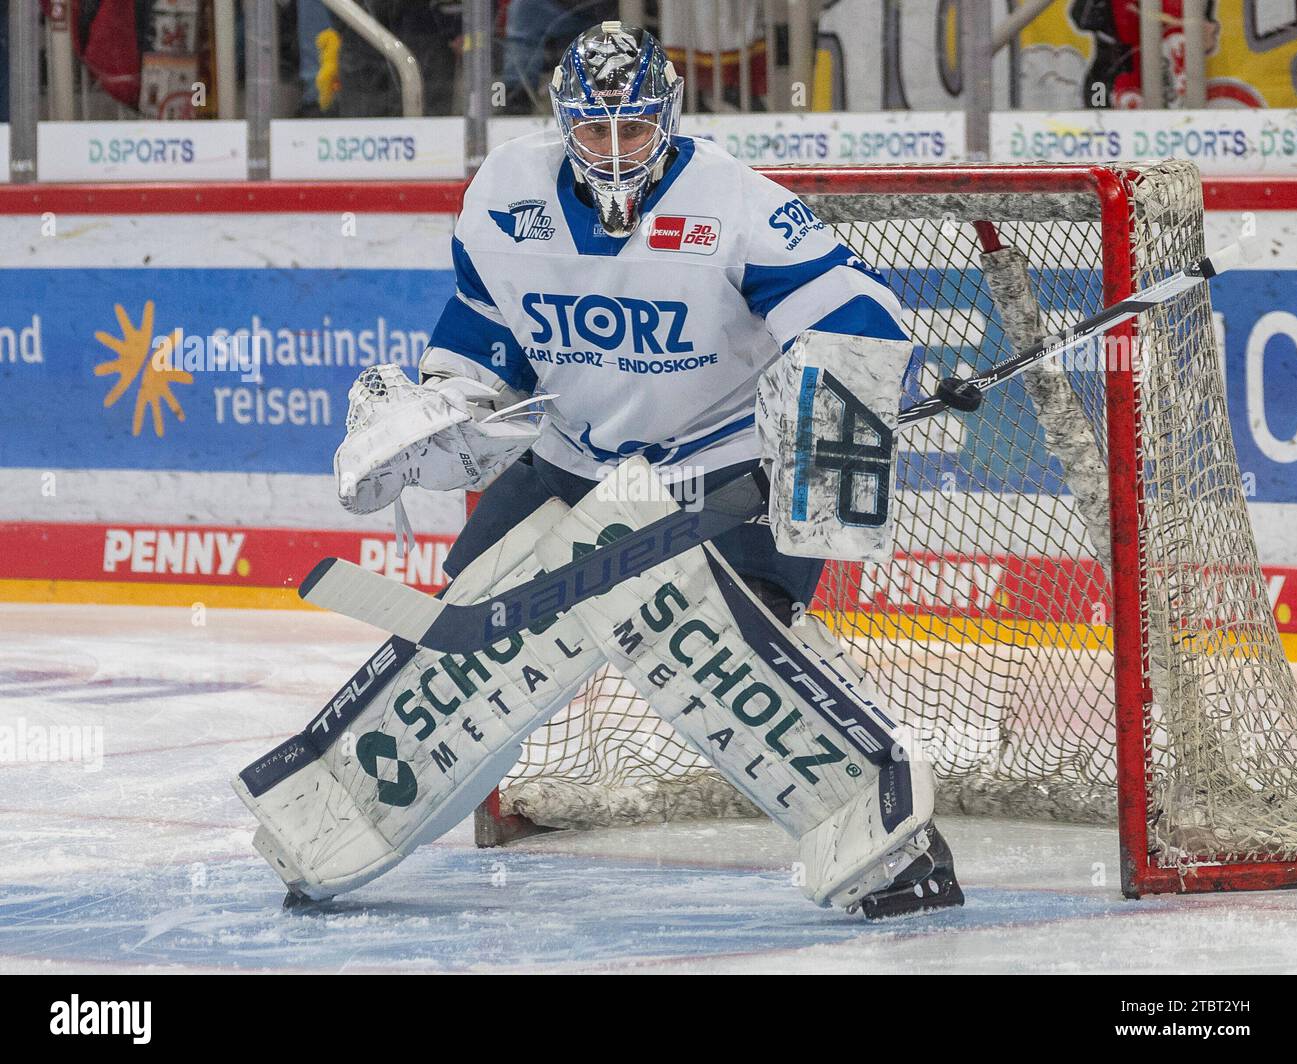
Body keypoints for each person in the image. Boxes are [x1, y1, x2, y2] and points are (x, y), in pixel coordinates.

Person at [238, 22, 963, 921]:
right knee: (471, 625)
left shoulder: (737, 202)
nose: (615, 151)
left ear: (668, 117)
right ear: (561, 121)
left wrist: (847, 389)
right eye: (594, 131)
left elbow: (856, 314)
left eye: (632, 129)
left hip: (718, 465)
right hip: (571, 459)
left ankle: (892, 854)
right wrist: (444, 406)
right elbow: (484, 330)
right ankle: (336, 820)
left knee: (717, 647)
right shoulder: (504, 193)